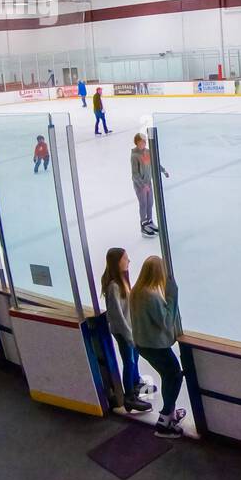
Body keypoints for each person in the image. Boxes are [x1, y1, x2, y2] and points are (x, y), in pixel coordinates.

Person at [129, 255, 185, 438]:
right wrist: (172, 297)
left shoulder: (137, 290)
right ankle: (165, 419)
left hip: (143, 344)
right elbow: (165, 322)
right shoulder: (151, 295)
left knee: (168, 375)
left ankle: (170, 413)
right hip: (155, 346)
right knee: (174, 376)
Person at [100, 248, 154, 414]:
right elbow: (117, 316)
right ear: (118, 263)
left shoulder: (122, 282)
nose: (129, 261)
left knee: (134, 357)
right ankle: (129, 397)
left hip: (129, 329)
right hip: (123, 331)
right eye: (125, 258)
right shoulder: (114, 287)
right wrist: (129, 336)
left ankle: (136, 382)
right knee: (129, 360)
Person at [131, 133, 167, 238]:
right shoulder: (134, 156)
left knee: (150, 203)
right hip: (140, 185)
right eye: (142, 141)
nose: (145, 143)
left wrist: (163, 171)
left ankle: (150, 222)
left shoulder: (147, 152)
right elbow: (135, 174)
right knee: (143, 204)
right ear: (137, 142)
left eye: (145, 141)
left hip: (148, 183)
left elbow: (155, 163)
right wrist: (142, 185)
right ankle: (143, 225)